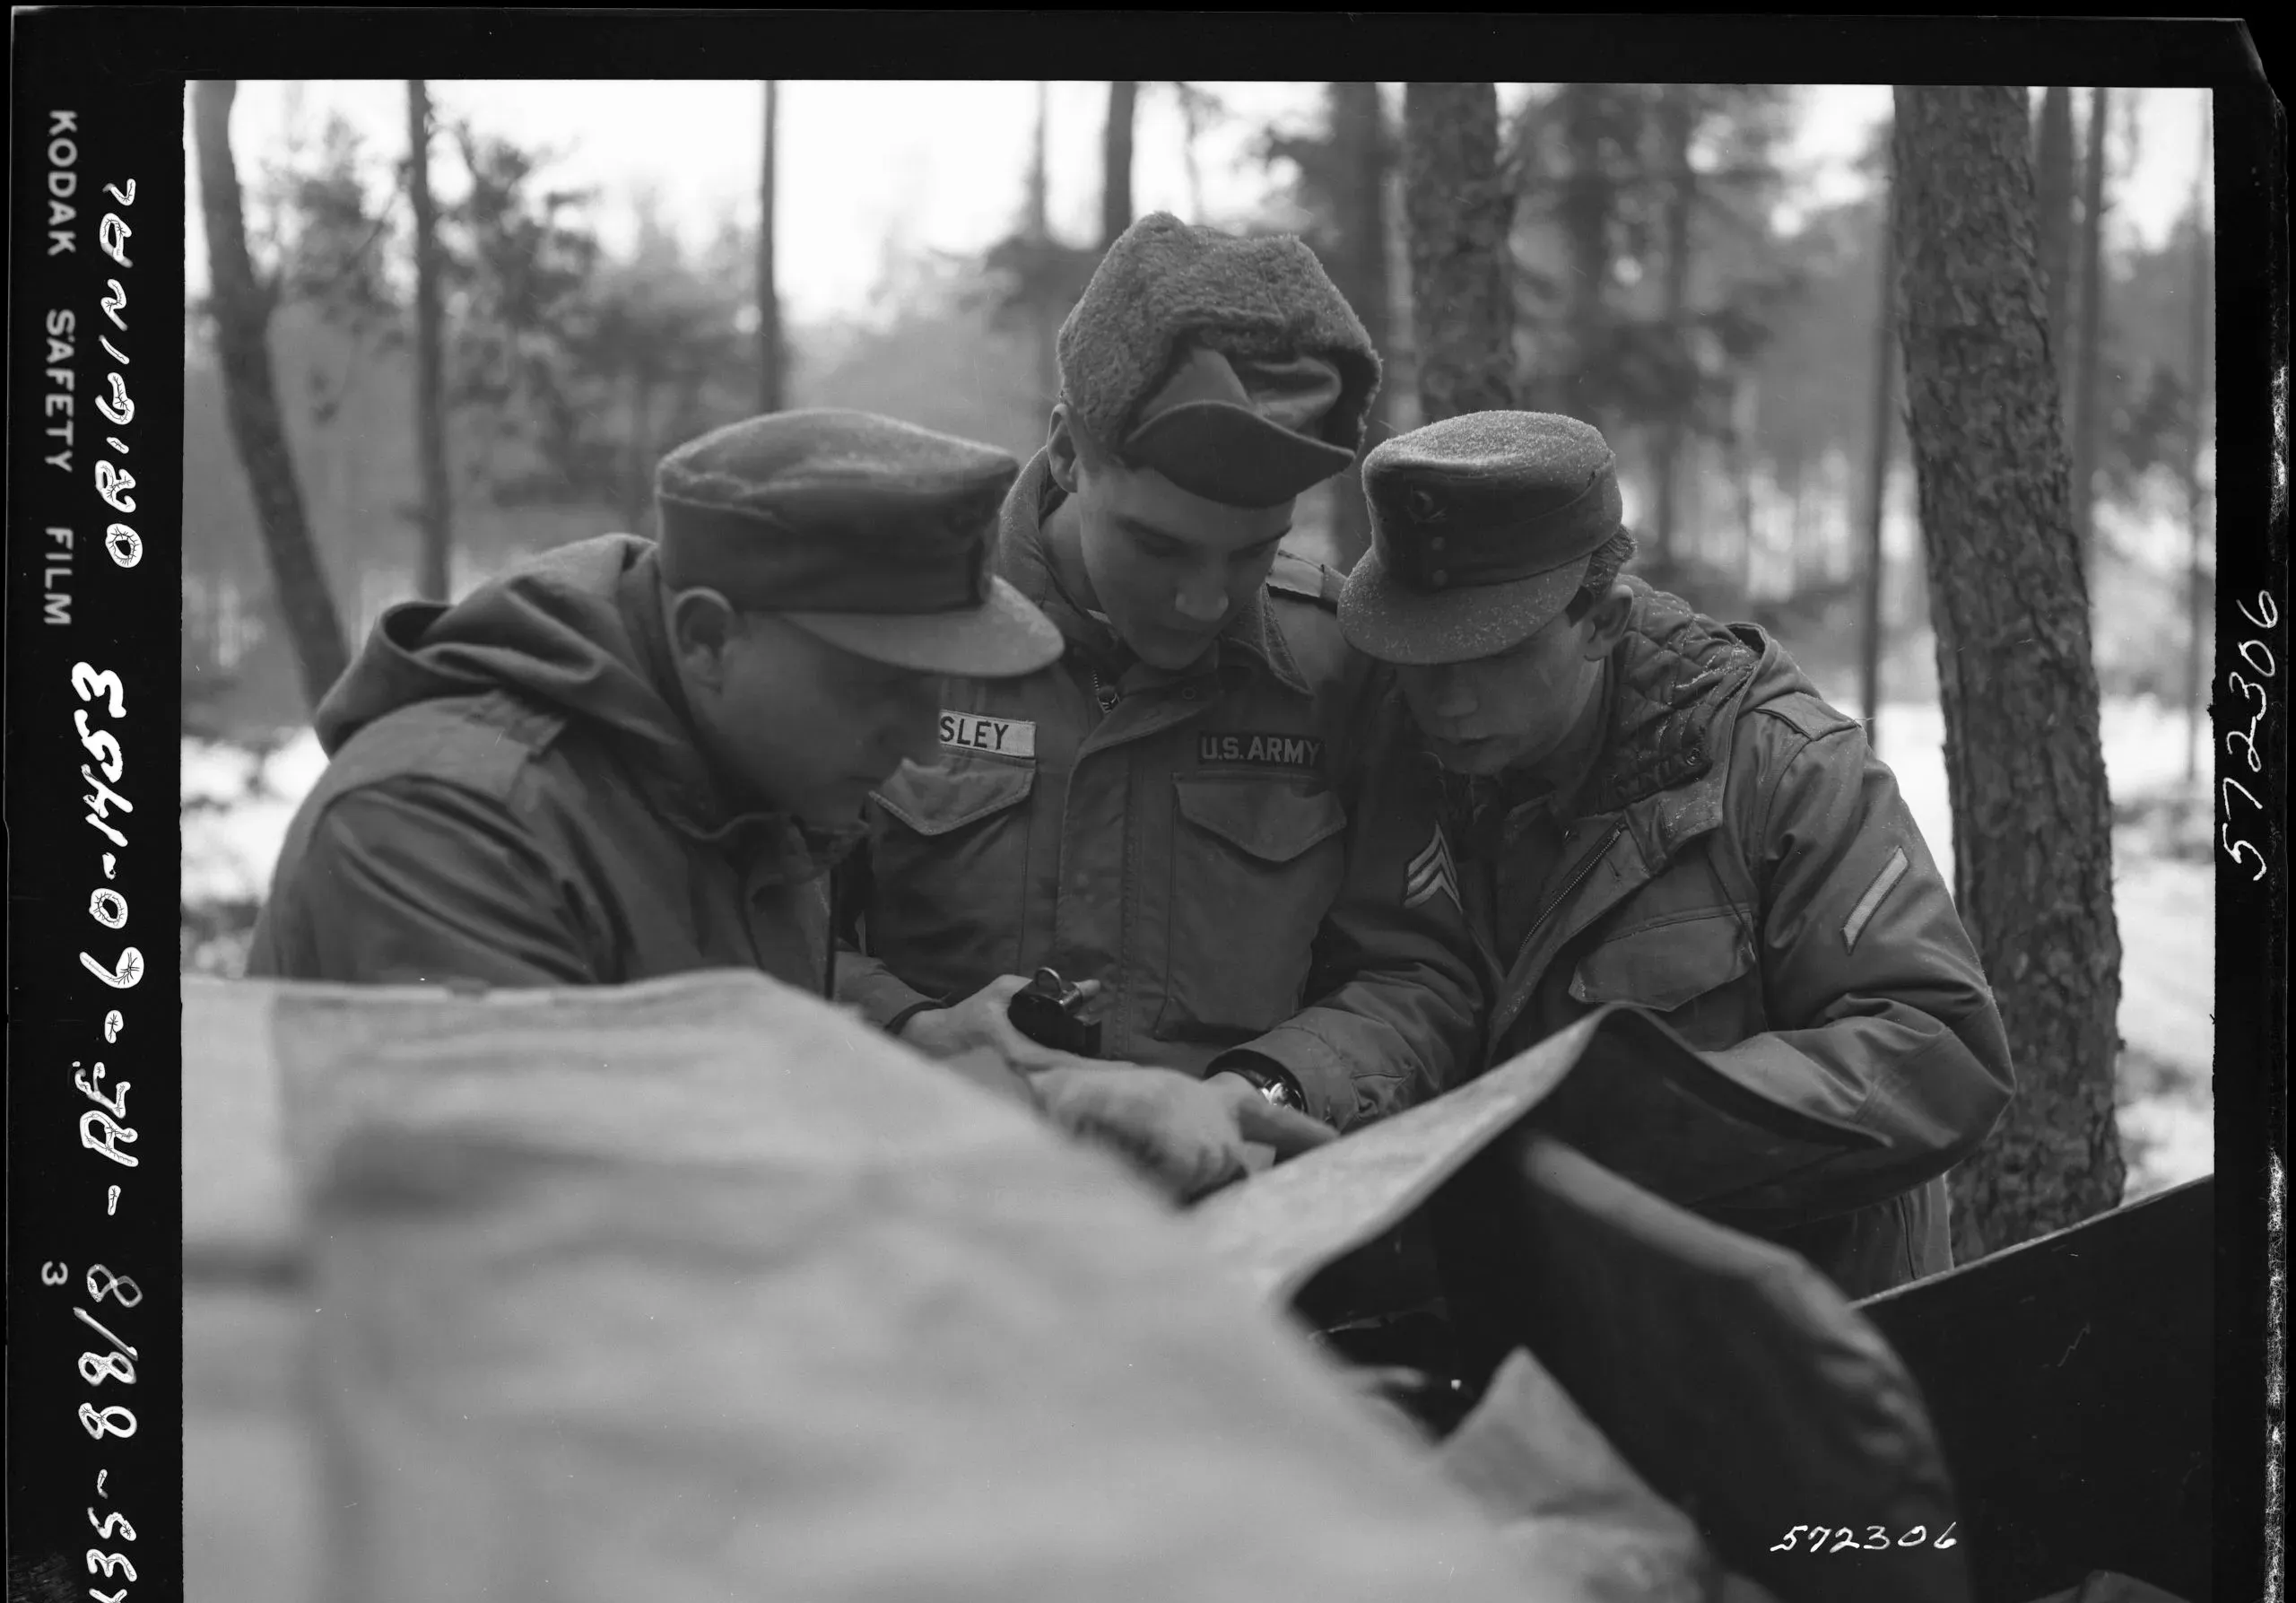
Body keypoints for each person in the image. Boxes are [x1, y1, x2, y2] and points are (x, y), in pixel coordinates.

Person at [246, 407, 1323, 1193]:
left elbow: (744, 1096)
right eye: (875, 685)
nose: (913, 739)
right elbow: (552, 1229)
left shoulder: (756, 782)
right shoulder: (450, 823)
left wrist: (1059, 1099)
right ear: (710, 636)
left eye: (937, 690)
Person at [832, 213, 1485, 1174]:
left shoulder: (1337, 666)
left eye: (1254, 551)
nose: (1203, 599)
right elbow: (748, 934)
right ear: (1066, 454)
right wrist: (912, 1026)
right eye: (1158, 545)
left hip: (1230, 1225)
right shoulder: (899, 631)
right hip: (931, 1207)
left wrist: (1263, 1092)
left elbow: (1416, 971)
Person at [1335, 410, 2016, 1297]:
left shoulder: (1784, 773)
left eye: (1492, 653)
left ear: (1603, 622)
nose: (1445, 698)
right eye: (1419, 655)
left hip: (1779, 1354)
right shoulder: (1400, 764)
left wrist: (1616, 1126)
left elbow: (1934, 1051)